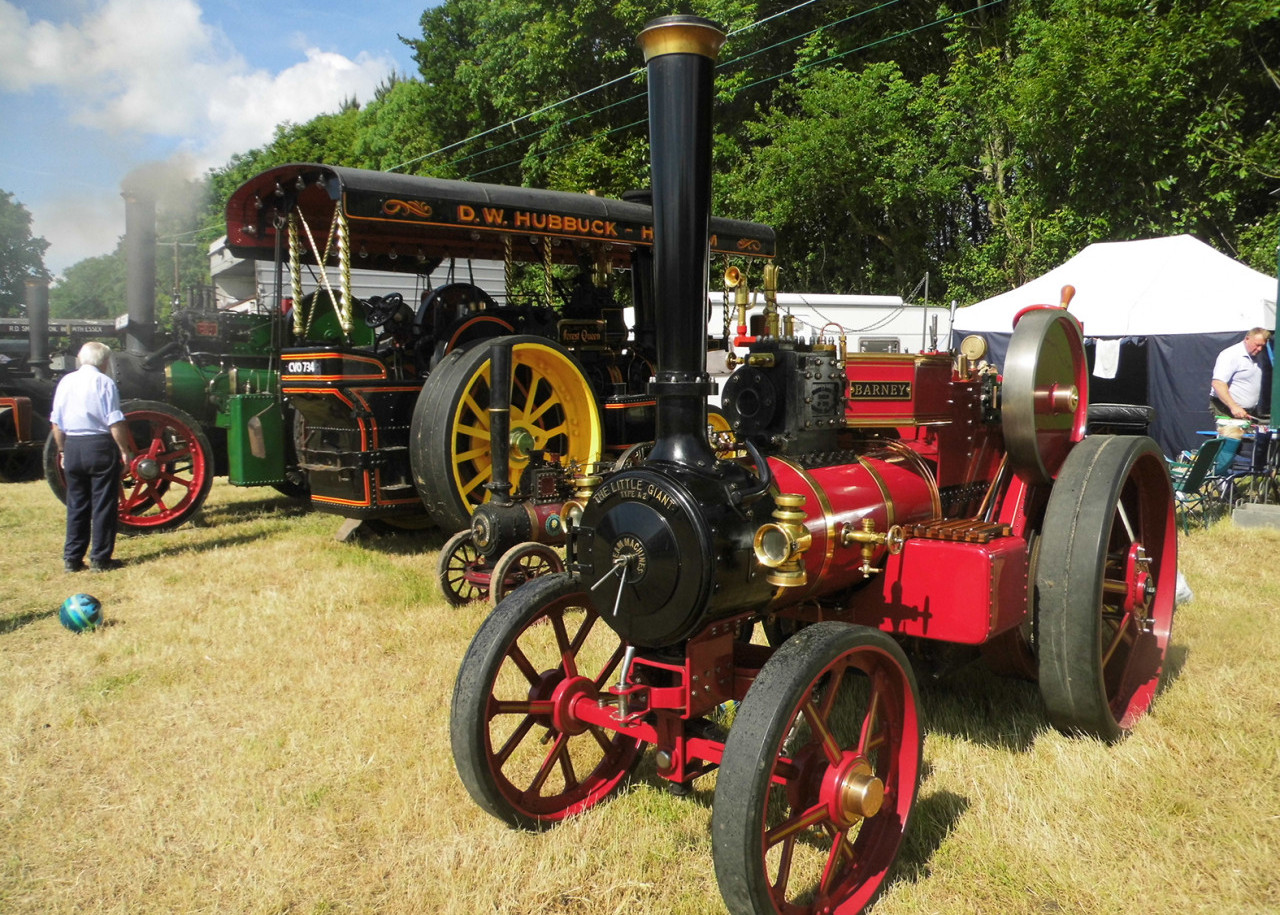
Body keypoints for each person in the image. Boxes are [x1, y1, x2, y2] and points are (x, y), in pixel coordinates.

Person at [49, 341, 134, 572]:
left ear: (80, 359)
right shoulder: (104, 382)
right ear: (105, 362)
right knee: (103, 504)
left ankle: (72, 559)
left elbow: (56, 423)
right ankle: (100, 558)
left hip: (73, 445)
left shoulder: (66, 381)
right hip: (99, 445)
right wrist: (124, 451)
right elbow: (114, 420)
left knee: (76, 504)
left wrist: (63, 451)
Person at [1209, 328, 1271, 474]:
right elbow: (1218, 383)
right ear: (1246, 339)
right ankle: (1219, 480)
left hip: (1248, 411)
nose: (1259, 348)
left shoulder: (1260, 356)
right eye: (1256, 345)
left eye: (1262, 346)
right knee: (1229, 442)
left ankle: (1248, 478)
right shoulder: (1230, 355)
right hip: (1225, 407)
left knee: (1260, 439)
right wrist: (1233, 406)